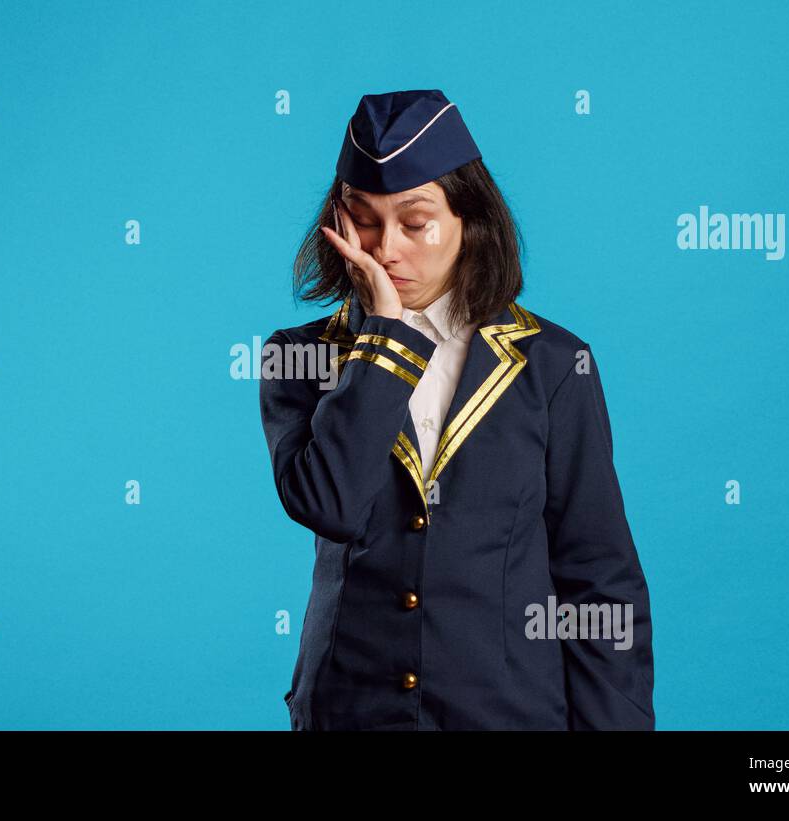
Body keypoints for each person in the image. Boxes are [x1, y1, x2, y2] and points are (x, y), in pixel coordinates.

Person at [258, 89, 654, 730]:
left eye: (415, 223)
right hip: (349, 713)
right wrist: (386, 334)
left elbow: (598, 578)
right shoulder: (299, 359)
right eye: (364, 219)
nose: (387, 248)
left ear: (469, 219)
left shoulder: (554, 365)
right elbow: (330, 505)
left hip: (509, 715)